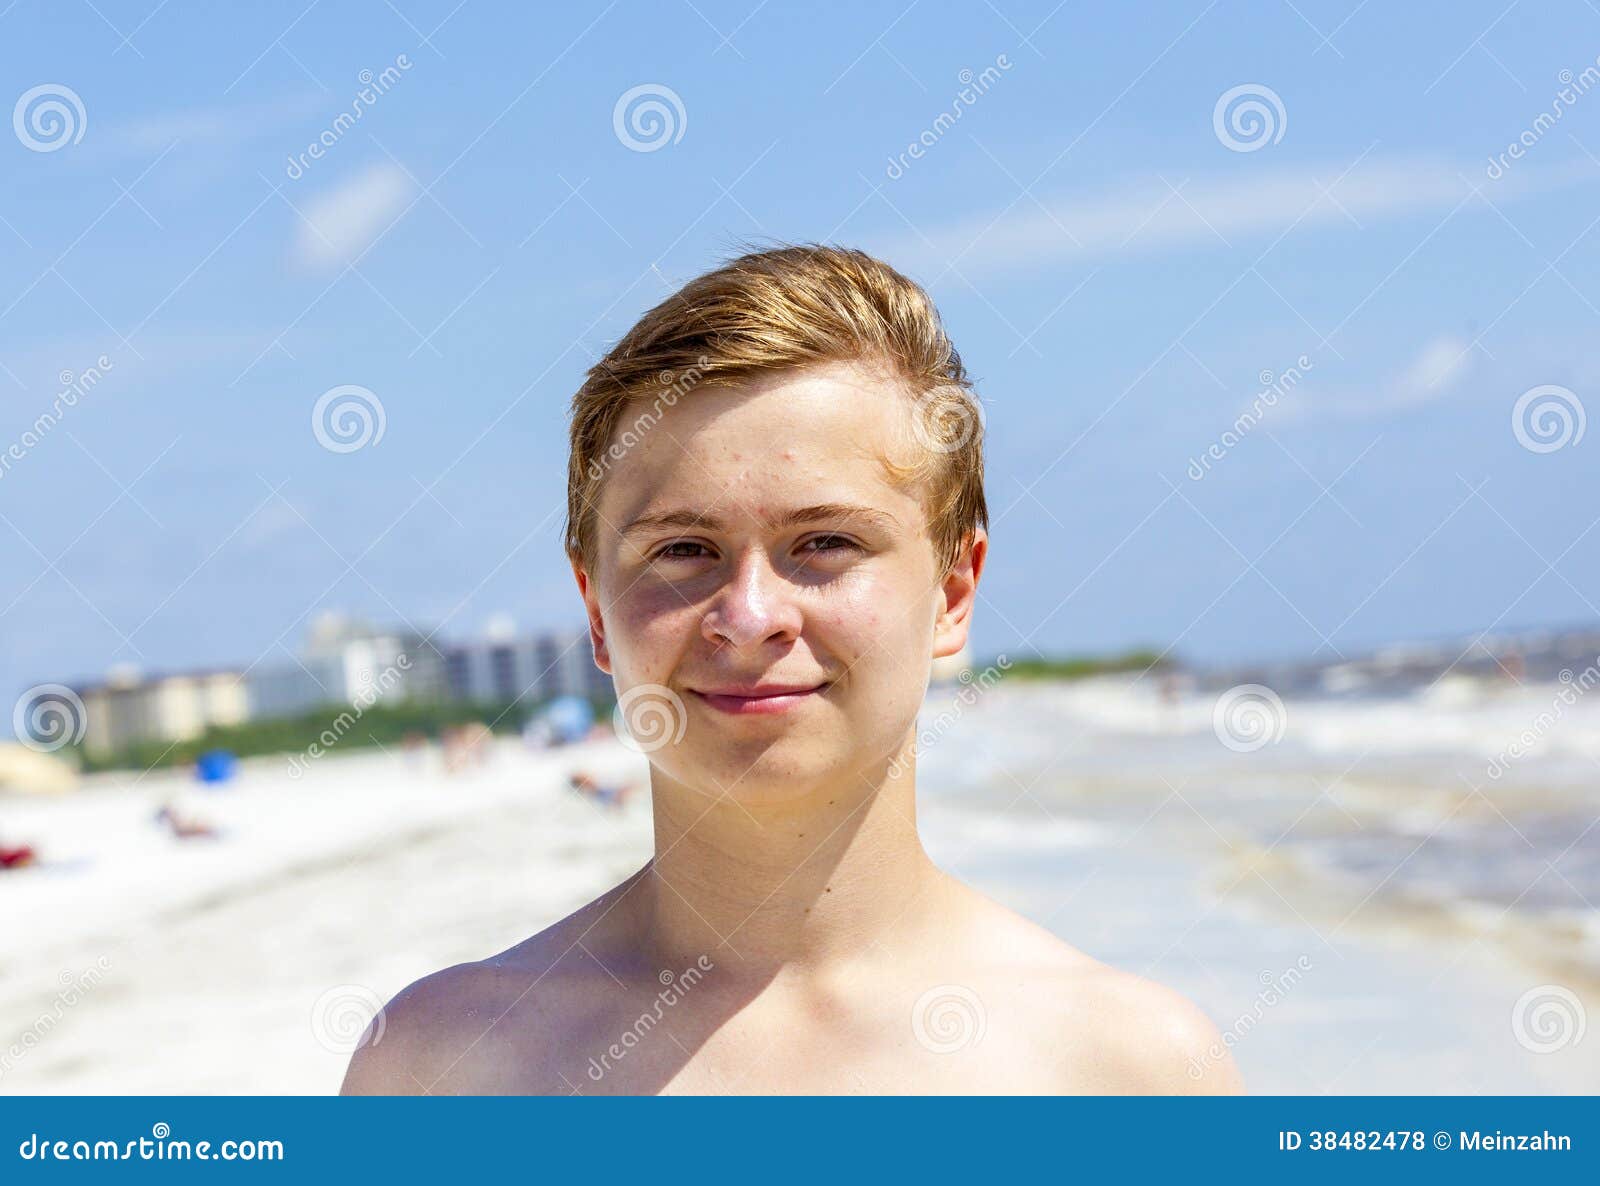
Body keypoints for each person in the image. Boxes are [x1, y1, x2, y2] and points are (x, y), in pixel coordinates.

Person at [342, 244, 1243, 1096]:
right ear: (596, 613)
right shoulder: (441, 1070)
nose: (750, 616)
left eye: (824, 543)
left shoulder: (1126, 1075)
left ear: (953, 595)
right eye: (685, 549)